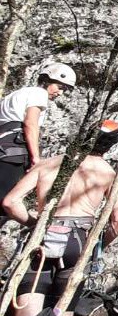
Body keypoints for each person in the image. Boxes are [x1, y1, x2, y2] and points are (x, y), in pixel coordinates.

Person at [2, 119, 118, 316]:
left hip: (43, 239)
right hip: (77, 241)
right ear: (110, 146)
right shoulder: (108, 172)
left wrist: (35, 223)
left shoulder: (49, 164)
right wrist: (96, 246)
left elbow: (11, 202)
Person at [0, 61, 76, 210]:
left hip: (4, 146)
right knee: (4, 202)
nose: (60, 93)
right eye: (60, 87)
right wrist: (35, 158)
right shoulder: (39, 93)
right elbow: (30, 123)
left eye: (64, 90)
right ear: (48, 80)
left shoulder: (16, 94)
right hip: (12, 153)